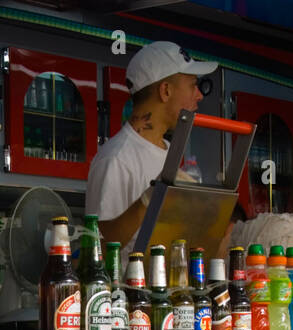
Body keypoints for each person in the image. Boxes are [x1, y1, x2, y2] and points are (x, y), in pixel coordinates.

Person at [85, 41, 218, 247]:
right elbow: (98, 245)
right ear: (165, 91)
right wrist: (148, 200)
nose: (199, 95)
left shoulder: (168, 152)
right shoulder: (116, 158)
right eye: (193, 85)